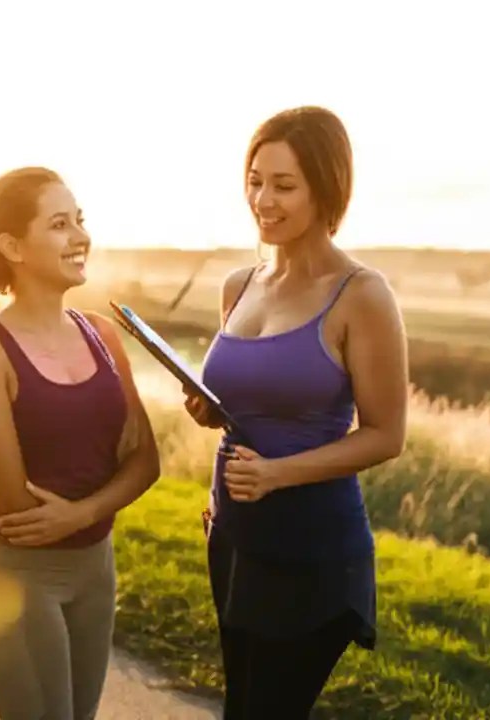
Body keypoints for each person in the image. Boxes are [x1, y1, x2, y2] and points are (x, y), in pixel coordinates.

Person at [183, 106, 408, 718]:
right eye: (256, 180)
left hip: (313, 552)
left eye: (284, 185)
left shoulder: (360, 294)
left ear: (327, 187)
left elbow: (387, 435)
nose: (263, 199)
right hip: (232, 538)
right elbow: (249, 402)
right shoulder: (238, 284)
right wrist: (210, 411)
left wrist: (278, 474)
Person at [0, 167, 160, 720]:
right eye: (60, 224)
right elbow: (19, 507)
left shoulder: (103, 332)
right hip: (20, 577)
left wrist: (84, 513)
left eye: (80, 221)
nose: (80, 236)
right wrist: (80, 513)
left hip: (96, 567)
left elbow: (146, 460)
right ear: (13, 246)